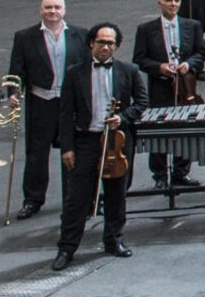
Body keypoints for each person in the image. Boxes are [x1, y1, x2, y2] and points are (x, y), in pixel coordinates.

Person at [52, 23, 144, 271]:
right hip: (86, 141)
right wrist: (67, 148)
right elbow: (65, 113)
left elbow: (143, 103)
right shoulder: (74, 73)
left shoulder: (129, 70)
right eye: (101, 42)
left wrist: (122, 118)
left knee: (116, 195)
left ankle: (114, 241)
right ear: (91, 43)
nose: (105, 47)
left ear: (116, 46)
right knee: (77, 199)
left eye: (110, 43)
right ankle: (66, 248)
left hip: (117, 141)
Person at [6, 0, 88, 220]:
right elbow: (16, 71)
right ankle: (32, 200)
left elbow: (86, 69)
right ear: (40, 10)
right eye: (48, 7)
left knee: (72, 151)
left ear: (65, 10)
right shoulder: (24, 37)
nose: (53, 11)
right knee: (36, 154)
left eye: (57, 7)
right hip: (41, 102)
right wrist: (14, 93)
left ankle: (74, 199)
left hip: (70, 104)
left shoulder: (81, 35)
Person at [131, 0, 205, 186]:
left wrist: (188, 65)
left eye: (176, 0)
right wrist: (160, 67)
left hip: (185, 87)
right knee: (159, 130)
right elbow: (139, 58)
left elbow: (201, 53)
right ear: (160, 3)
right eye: (168, 0)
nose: (173, 4)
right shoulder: (146, 29)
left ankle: (181, 172)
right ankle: (160, 175)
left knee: (185, 129)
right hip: (160, 86)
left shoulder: (193, 26)